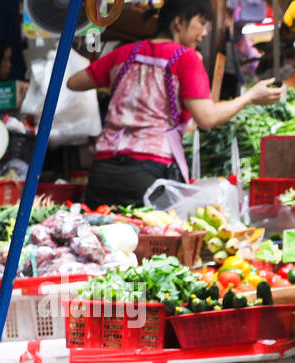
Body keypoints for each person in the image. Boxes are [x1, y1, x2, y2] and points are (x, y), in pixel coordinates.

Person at [68, 0, 284, 210]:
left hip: (102, 171)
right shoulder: (186, 58)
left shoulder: (125, 53)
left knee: (98, 239)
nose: (205, 32)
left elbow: (74, 81)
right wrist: (249, 97)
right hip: (147, 174)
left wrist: (128, 88)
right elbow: (207, 119)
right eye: (201, 22)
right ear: (179, 22)